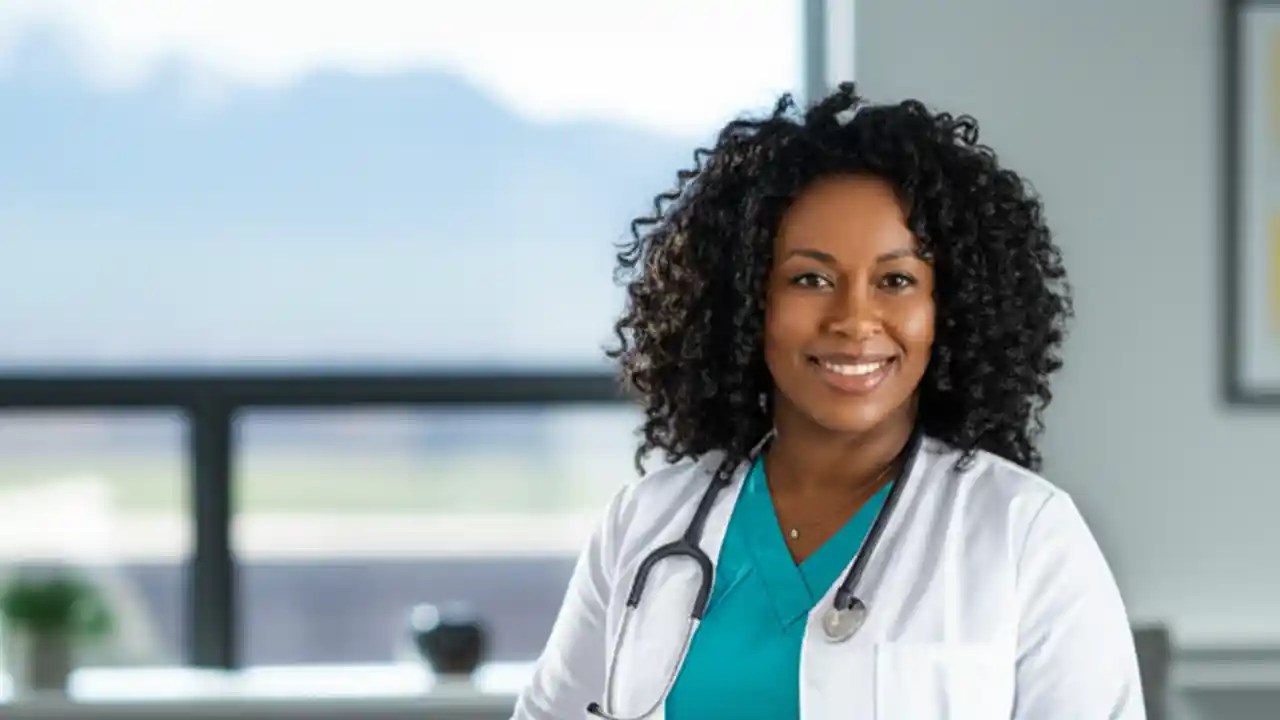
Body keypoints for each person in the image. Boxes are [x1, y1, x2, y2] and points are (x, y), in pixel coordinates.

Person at [512, 83, 1144, 719]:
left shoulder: (1024, 532)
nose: (854, 318)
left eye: (896, 280)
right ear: (747, 302)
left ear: (945, 309)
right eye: (809, 279)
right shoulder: (646, 523)